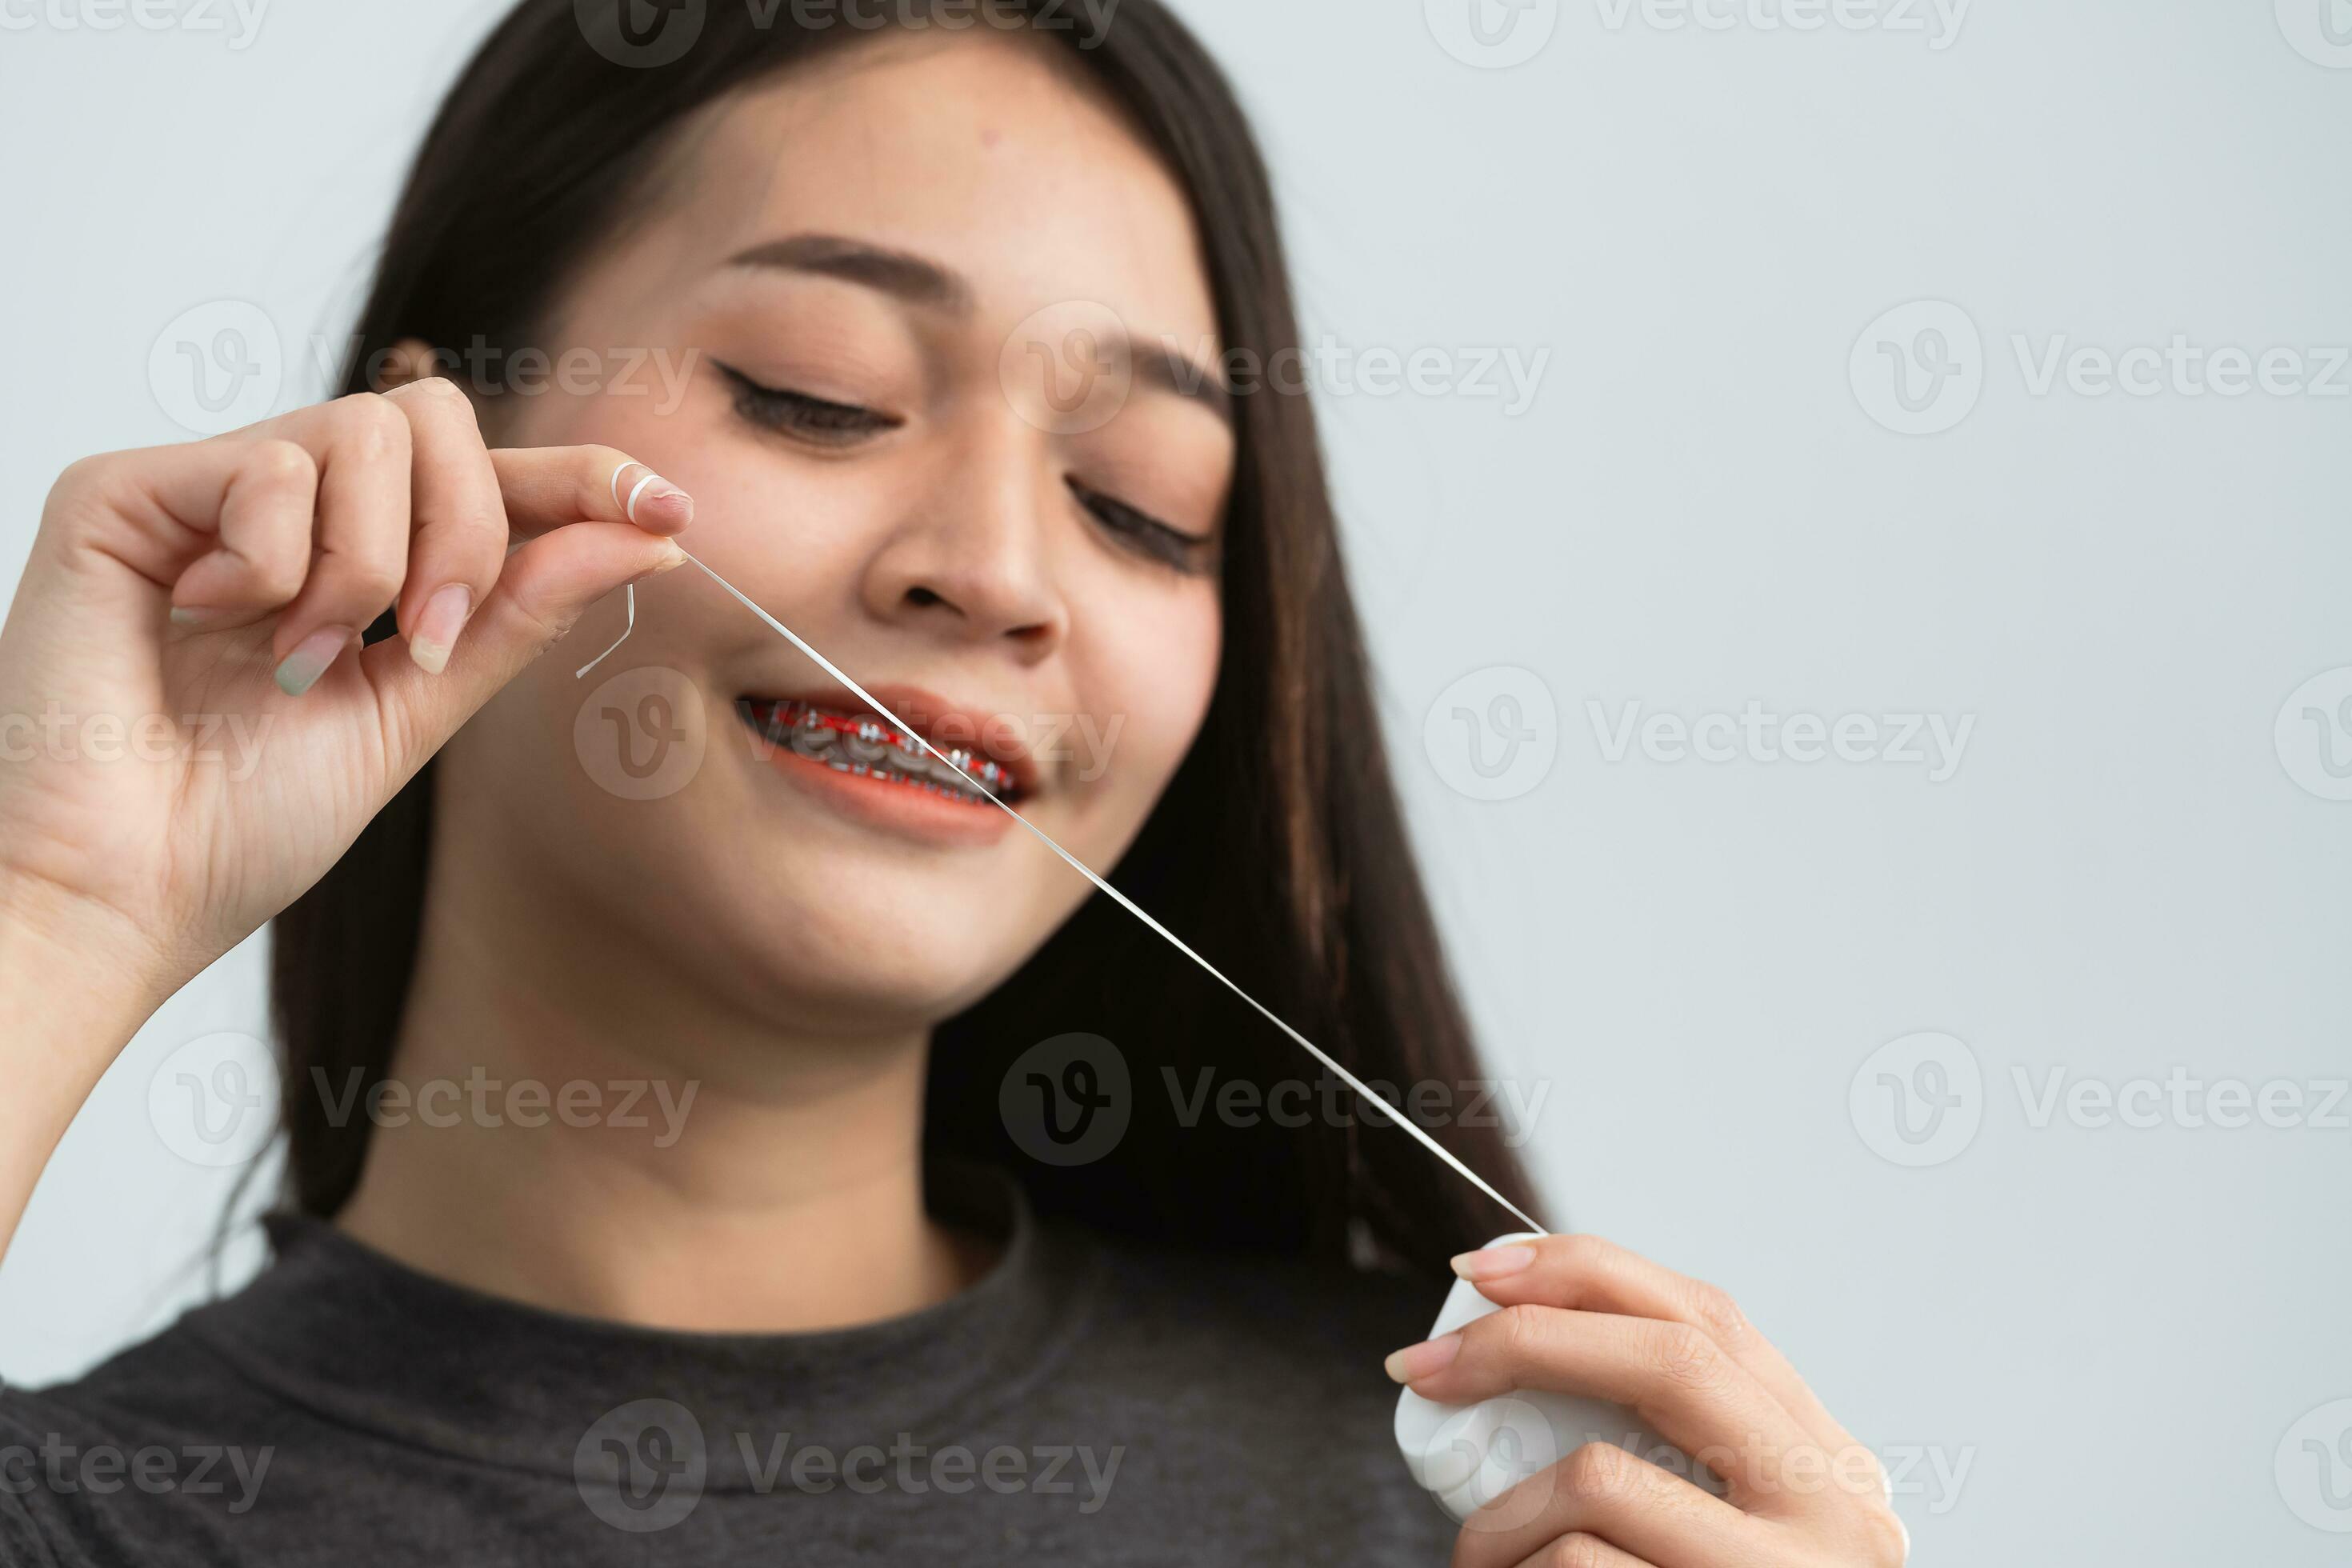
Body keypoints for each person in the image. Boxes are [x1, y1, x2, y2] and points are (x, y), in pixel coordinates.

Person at [0, 2, 1906, 1562]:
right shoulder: (89, 1516)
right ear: (434, 432)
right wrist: (50, 901)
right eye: (816, 391)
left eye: (1138, 506)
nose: (994, 566)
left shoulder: (1473, 1495)